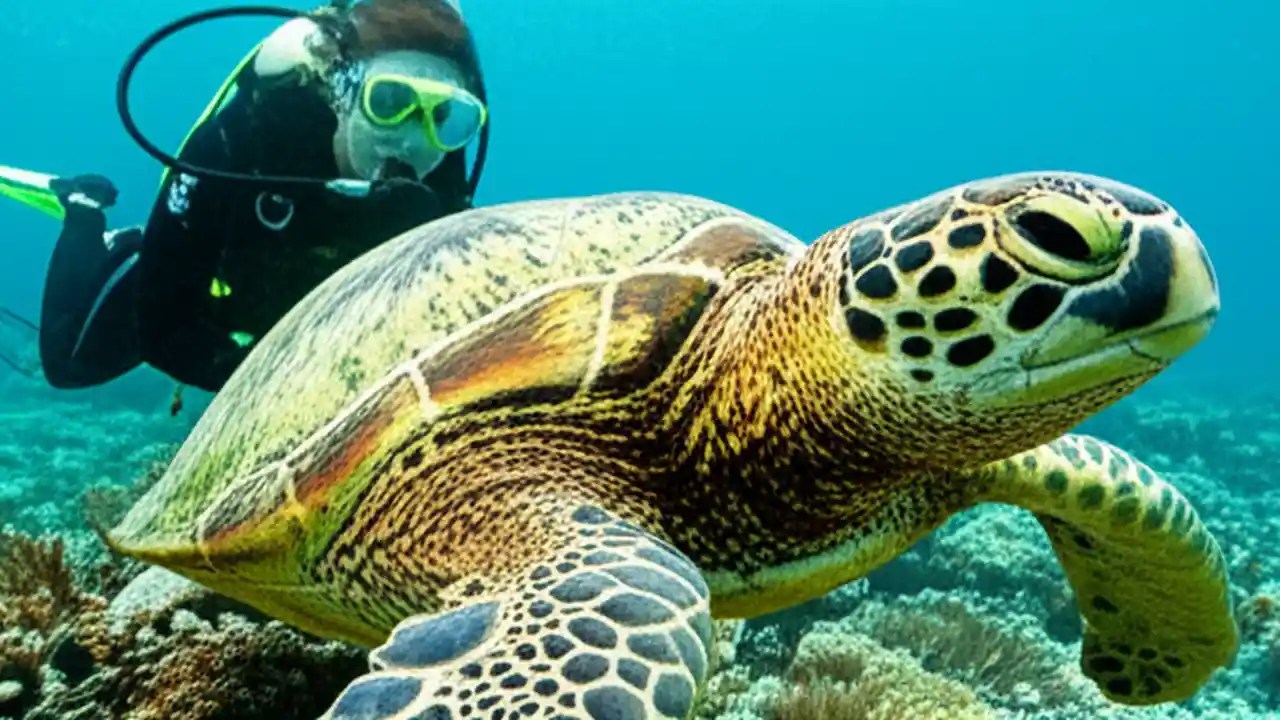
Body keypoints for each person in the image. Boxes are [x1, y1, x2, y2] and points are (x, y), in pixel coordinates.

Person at [0, 0, 489, 394]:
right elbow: (163, 327)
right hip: (218, 280)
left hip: (291, 302)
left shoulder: (440, 169)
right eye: (389, 101)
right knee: (69, 364)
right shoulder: (244, 138)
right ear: (341, 90)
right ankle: (87, 218)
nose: (411, 139)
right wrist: (279, 394)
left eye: (448, 115)